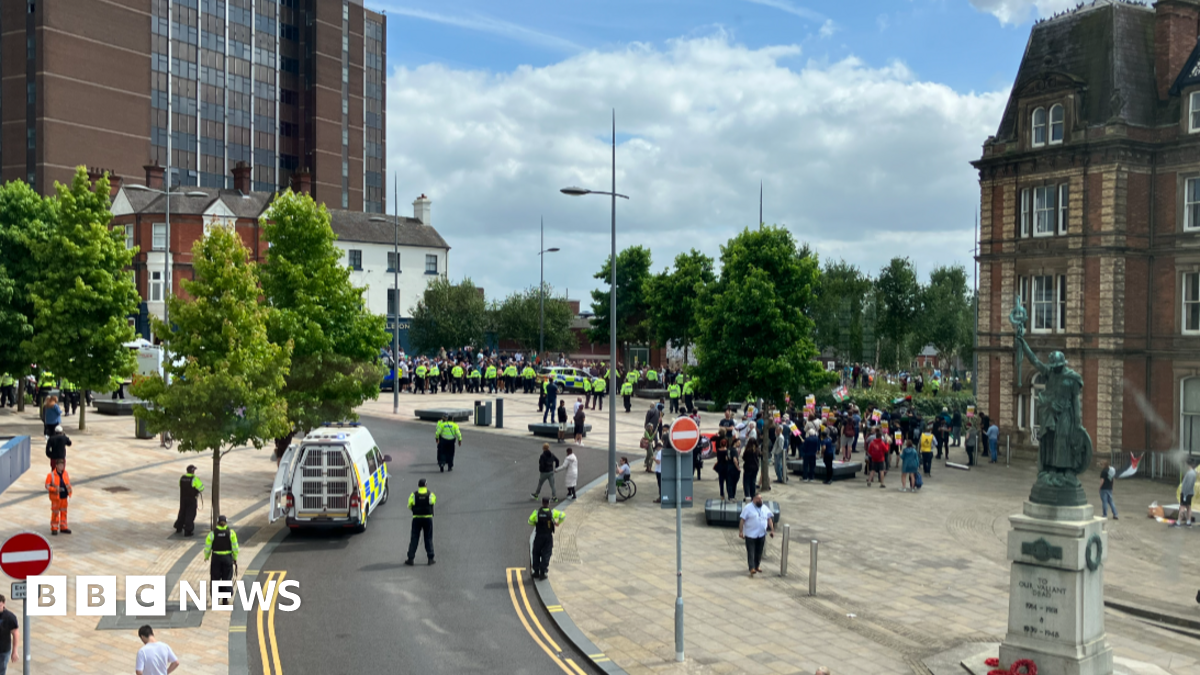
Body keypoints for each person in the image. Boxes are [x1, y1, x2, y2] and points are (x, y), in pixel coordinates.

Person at [738, 493, 775, 576]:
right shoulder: (748, 508)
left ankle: (757, 565)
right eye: (758, 498)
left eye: (761, 498)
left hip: (761, 534)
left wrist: (772, 530)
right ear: (753, 499)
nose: (760, 500)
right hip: (750, 534)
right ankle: (751, 568)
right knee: (751, 551)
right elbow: (742, 520)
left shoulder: (764, 508)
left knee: (759, 551)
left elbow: (769, 519)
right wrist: (741, 531)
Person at [529, 497, 566, 580]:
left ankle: (536, 571)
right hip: (548, 536)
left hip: (539, 536)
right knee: (547, 553)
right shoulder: (553, 513)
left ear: (542, 503)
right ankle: (543, 570)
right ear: (548, 503)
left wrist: (536, 523)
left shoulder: (537, 513)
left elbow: (530, 521)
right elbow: (563, 516)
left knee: (536, 553)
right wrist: (557, 522)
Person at [204, 515, 238, 603]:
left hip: (216, 558)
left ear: (217, 523)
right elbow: (235, 547)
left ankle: (215, 599)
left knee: (215, 578)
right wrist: (235, 558)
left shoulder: (212, 534)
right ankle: (225, 599)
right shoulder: (231, 533)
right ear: (226, 523)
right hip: (227, 558)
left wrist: (206, 556)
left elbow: (207, 547)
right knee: (226, 578)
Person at [405, 478, 437, 565]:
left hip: (416, 519)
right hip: (428, 519)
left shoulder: (413, 495)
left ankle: (410, 558)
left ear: (418, 486)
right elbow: (433, 501)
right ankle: (430, 558)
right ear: (426, 485)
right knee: (428, 538)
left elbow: (409, 505)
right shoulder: (430, 494)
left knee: (414, 538)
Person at [174, 465, 205, 537]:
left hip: (183, 498)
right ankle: (188, 530)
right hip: (191, 499)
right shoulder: (194, 479)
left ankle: (179, 527)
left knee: (182, 512)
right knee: (190, 514)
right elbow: (201, 488)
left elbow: (180, 485)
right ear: (192, 471)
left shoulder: (182, 478)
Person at [45, 458, 71, 535]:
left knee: (64, 512)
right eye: (60, 465)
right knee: (55, 513)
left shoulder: (65, 473)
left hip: (64, 496)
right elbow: (47, 486)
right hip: (56, 497)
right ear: (56, 466)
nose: (61, 466)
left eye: (62, 465)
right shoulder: (51, 475)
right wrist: (55, 489)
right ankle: (54, 528)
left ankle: (63, 527)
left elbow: (67, 483)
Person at [0, 594, 19, 675]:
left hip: (3, 651)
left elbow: (15, 633)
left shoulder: (9, 617)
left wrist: (15, 651)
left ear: (4, 604)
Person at [1174, 459, 1196, 527]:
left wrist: (1185, 495)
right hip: (1190, 492)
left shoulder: (1190, 473)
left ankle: (1178, 522)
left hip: (1186, 493)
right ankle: (1188, 522)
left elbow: (1189, 484)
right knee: (1189, 507)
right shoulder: (1193, 472)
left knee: (1182, 507)